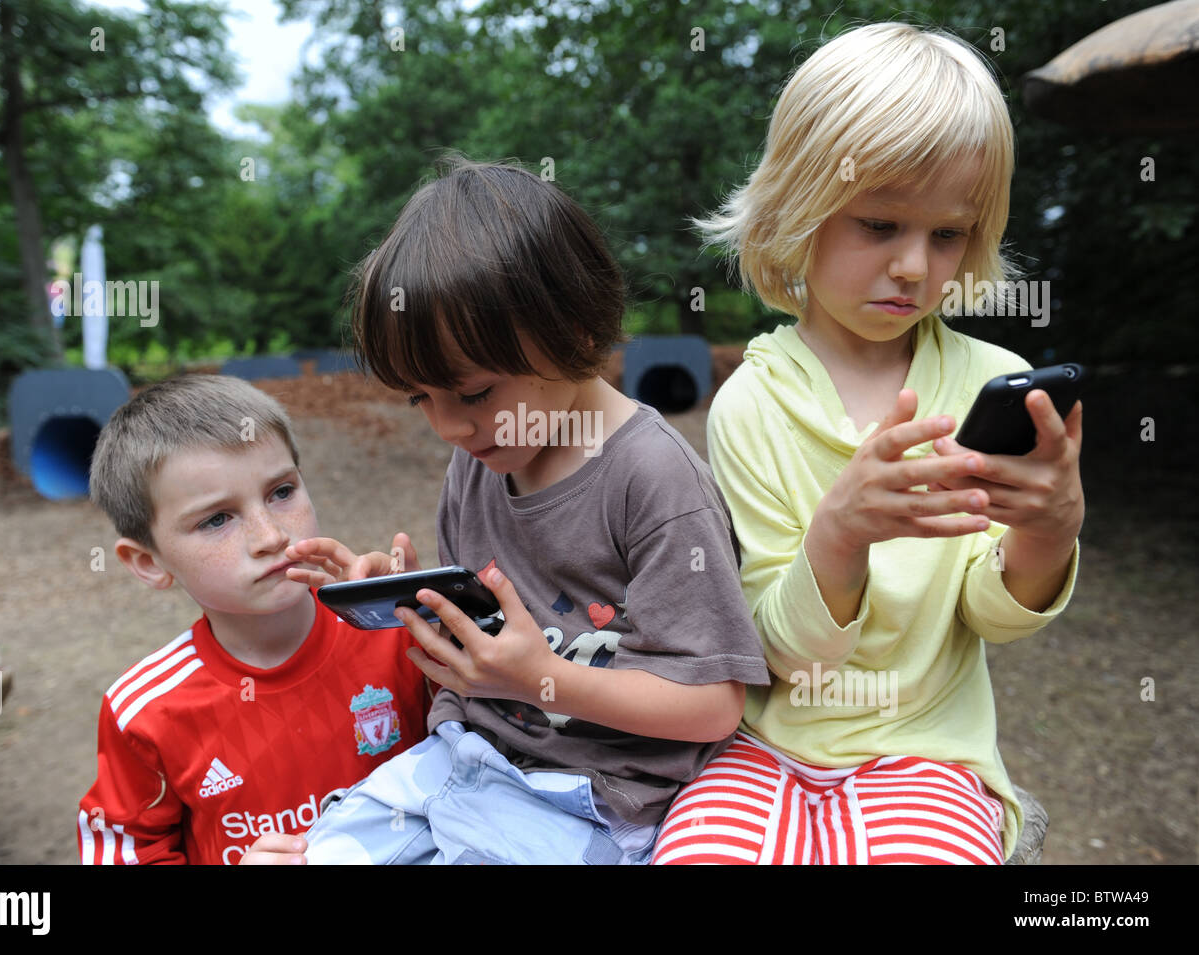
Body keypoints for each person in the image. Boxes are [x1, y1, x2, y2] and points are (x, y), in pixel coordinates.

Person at [653, 22, 1084, 865]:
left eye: (948, 234)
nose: (916, 267)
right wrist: (839, 534)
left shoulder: (993, 378)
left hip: (928, 747)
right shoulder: (753, 402)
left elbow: (990, 614)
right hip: (763, 747)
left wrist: (1049, 530)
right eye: (880, 224)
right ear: (798, 211)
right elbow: (773, 650)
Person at [287, 158, 770, 865]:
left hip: (591, 797)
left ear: (574, 334)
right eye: (421, 399)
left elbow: (714, 704)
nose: (449, 426)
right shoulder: (480, 460)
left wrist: (541, 677)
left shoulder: (652, 478)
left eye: (474, 393)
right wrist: (419, 604)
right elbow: (490, 631)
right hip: (468, 754)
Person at [77, 374, 430, 864]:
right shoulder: (146, 713)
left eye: (281, 491)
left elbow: (506, 754)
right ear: (149, 562)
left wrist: (433, 623)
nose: (270, 535)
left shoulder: (397, 636)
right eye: (216, 519)